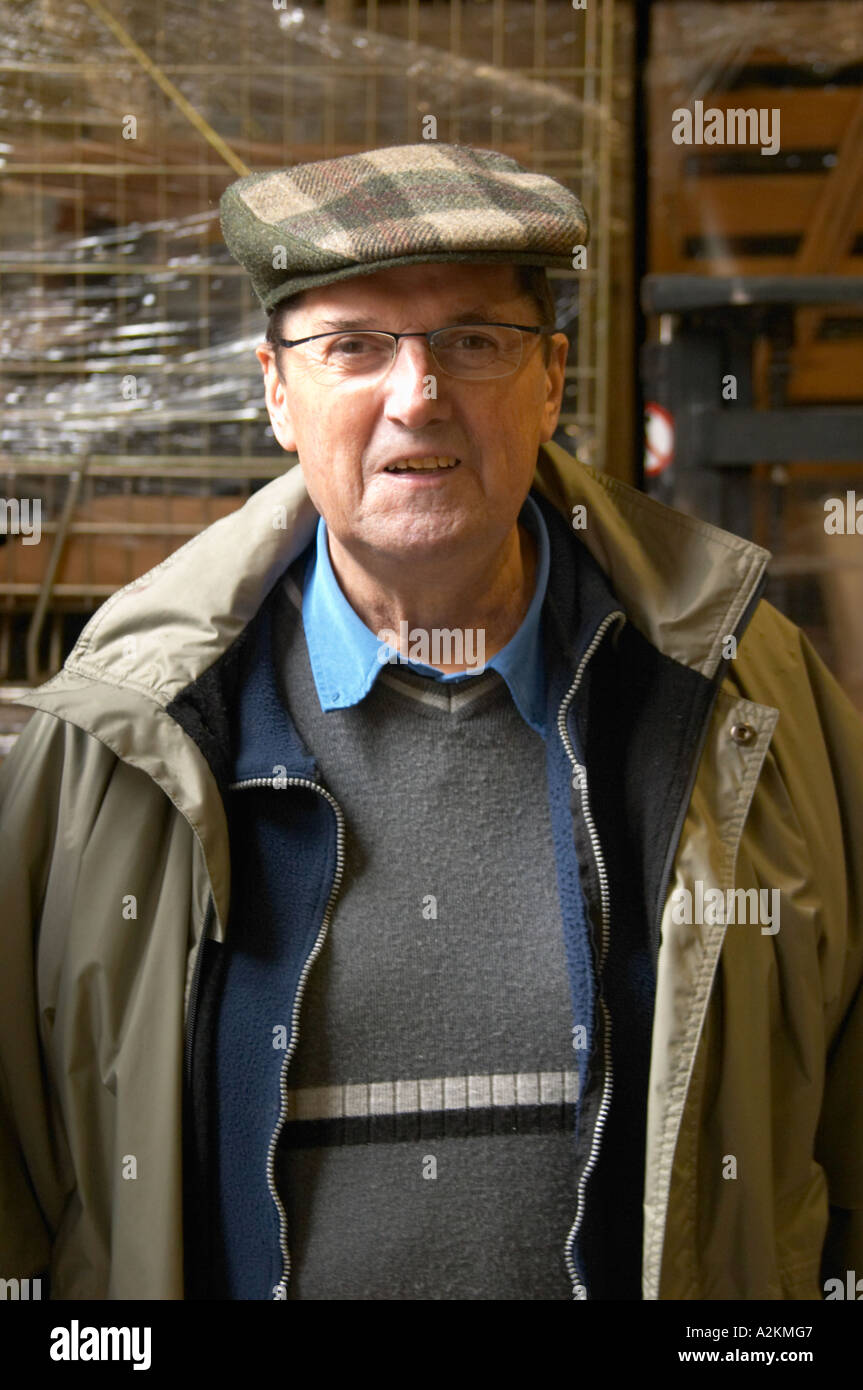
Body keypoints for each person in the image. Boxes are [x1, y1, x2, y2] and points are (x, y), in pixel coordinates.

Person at [1, 142, 861, 1302]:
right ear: (275, 390)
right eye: (353, 347)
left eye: (472, 342)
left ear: (551, 379)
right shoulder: (123, 735)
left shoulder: (743, 693)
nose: (416, 395)